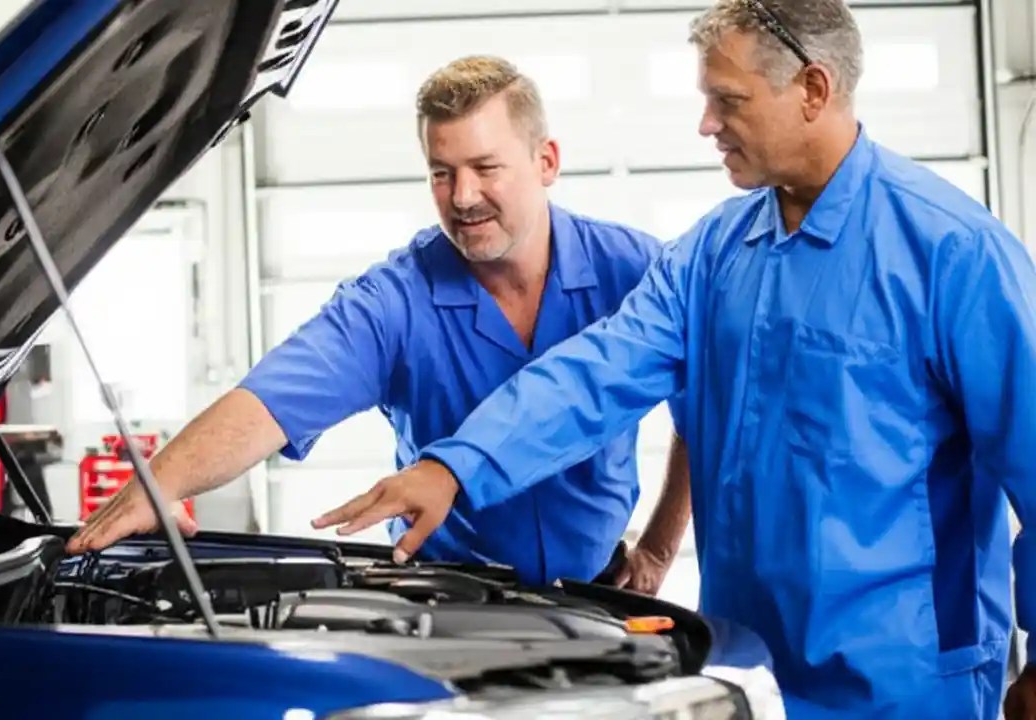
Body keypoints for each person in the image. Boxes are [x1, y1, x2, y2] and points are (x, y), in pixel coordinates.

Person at [312, 2, 1036, 717]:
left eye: (728, 100)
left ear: (813, 88)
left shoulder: (952, 253)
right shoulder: (713, 253)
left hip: (907, 682)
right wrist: (456, 466)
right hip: (748, 669)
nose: (706, 124)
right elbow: (597, 371)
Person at [66, 55, 692, 590]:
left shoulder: (634, 269)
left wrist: (660, 549)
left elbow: (703, 404)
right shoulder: (394, 301)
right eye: (441, 172)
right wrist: (158, 484)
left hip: (599, 592)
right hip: (450, 599)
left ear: (546, 161)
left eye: (485, 167)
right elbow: (270, 400)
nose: (463, 196)